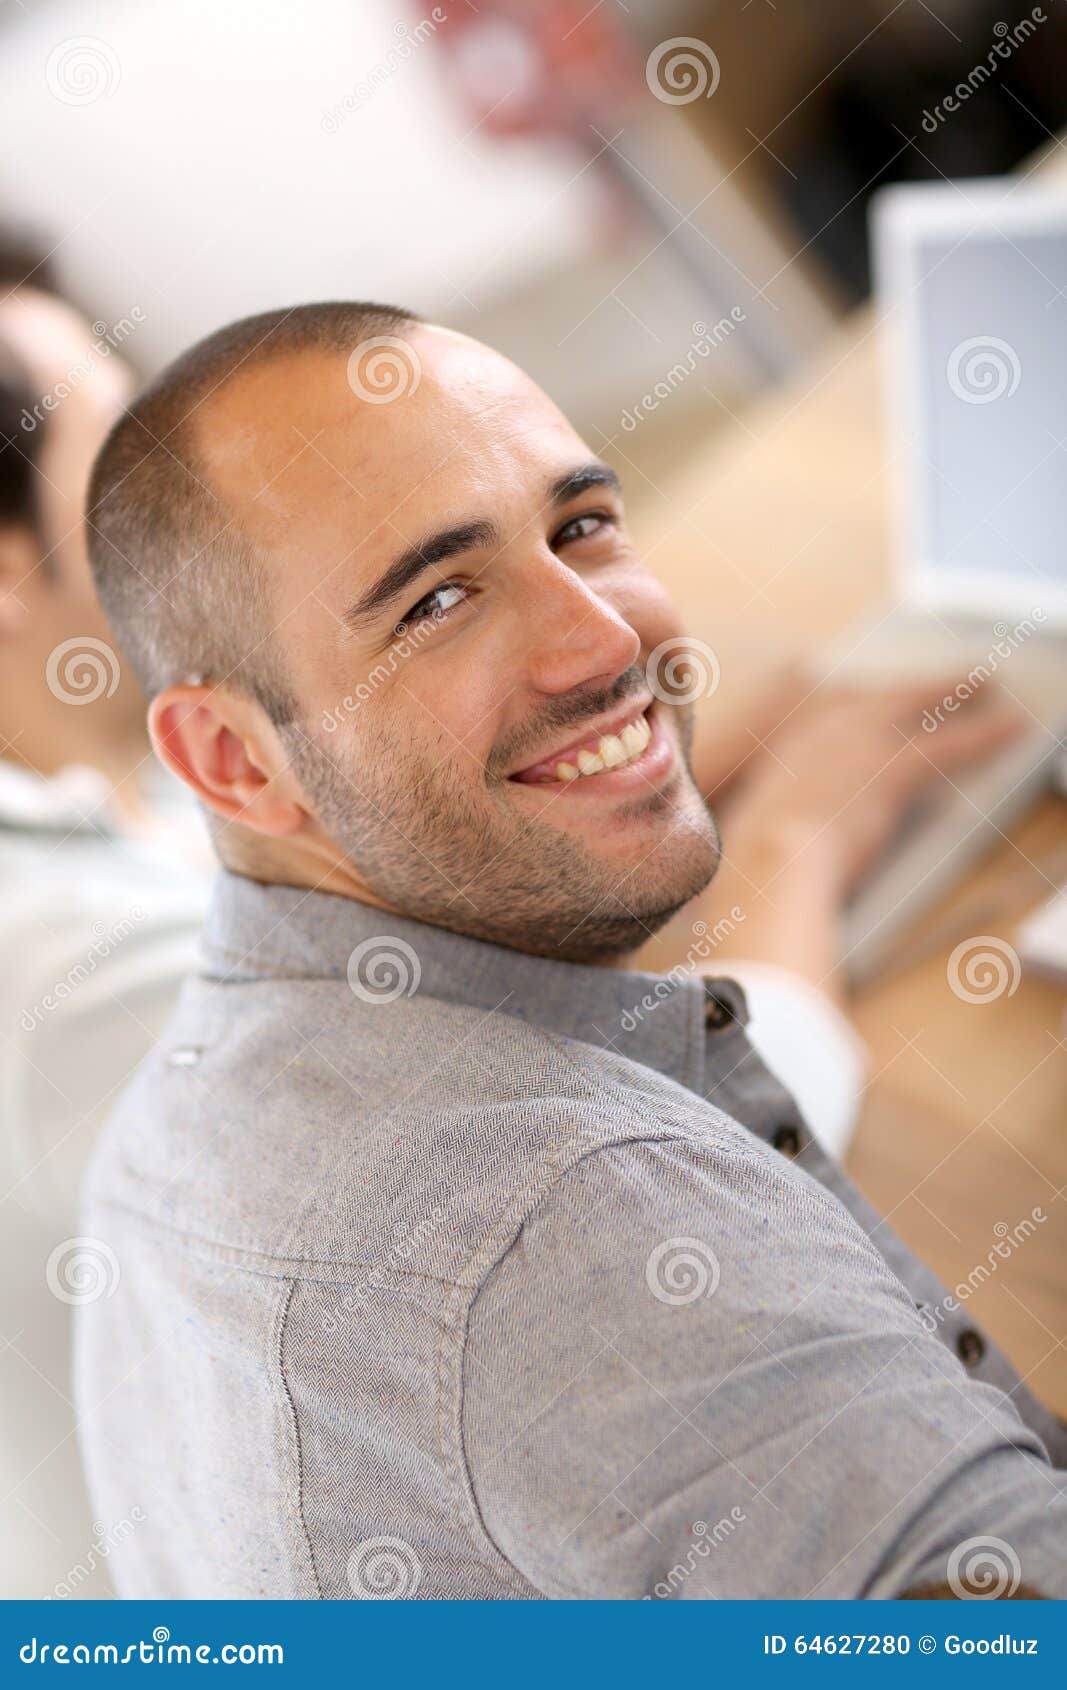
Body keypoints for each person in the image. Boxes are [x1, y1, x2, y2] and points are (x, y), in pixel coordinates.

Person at [76, 302, 1062, 1600]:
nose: (608, 637)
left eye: (580, 525)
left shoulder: (164, 1138)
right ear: (232, 757)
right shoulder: (564, 1222)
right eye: (436, 601)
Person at [0, 262, 209, 1598]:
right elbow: (536, 1181)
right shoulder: (58, 970)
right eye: (121, 438)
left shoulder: (98, 769)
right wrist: (795, 838)